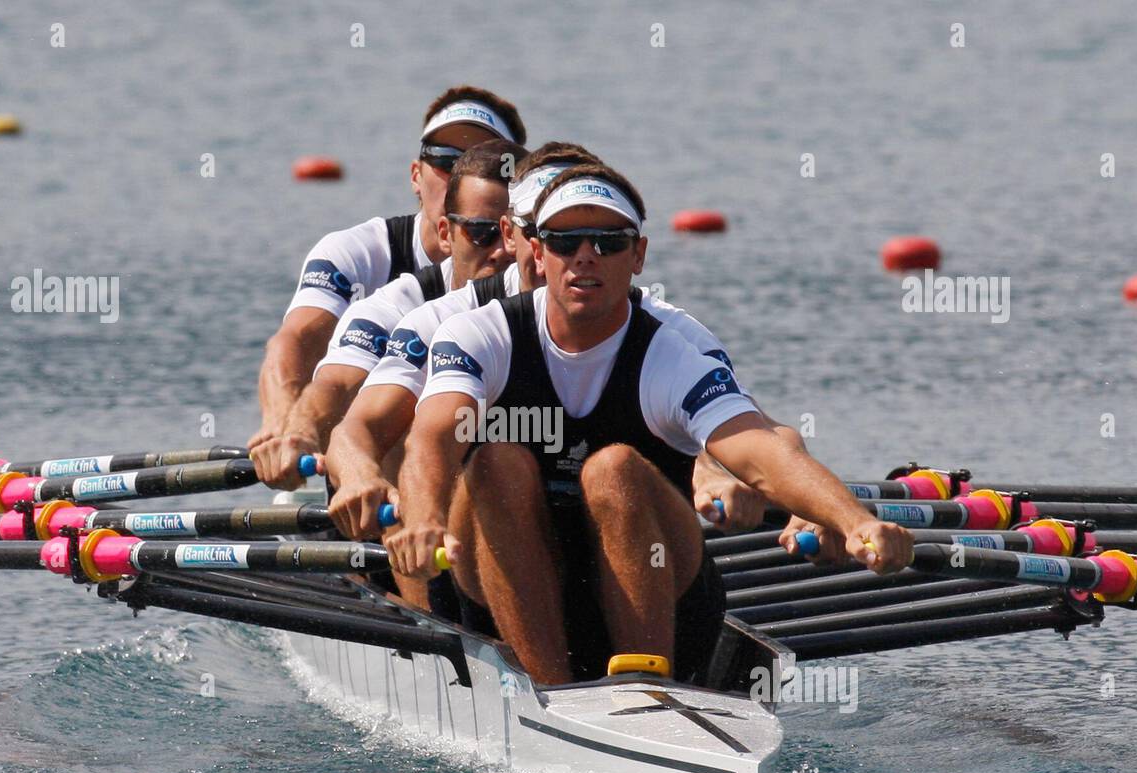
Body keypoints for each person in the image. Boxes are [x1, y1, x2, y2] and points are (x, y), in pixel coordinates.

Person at [385, 163, 914, 685]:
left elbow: (761, 452)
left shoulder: (672, 353)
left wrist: (854, 522)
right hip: (506, 589)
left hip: (661, 593)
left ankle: (647, 693)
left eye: (608, 241)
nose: (585, 256)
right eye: (565, 240)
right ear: (538, 252)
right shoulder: (480, 335)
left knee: (613, 468)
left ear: (638, 255)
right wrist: (422, 517)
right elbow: (434, 437)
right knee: (495, 462)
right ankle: (546, 692)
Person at [325, 145, 805, 545]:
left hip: (615, 538)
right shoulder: (443, 323)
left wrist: (796, 496)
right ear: (519, 238)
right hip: (464, 549)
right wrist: (360, 475)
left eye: (593, 239)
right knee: (423, 434)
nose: (575, 255)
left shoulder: (670, 331)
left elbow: (762, 432)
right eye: (553, 237)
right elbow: (354, 433)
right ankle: (420, 598)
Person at [250, 87, 527, 488]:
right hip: (383, 473)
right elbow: (305, 349)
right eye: (446, 160)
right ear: (417, 175)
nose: (458, 175)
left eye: (480, 161)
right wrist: (291, 432)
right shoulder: (364, 258)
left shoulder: (560, 275)